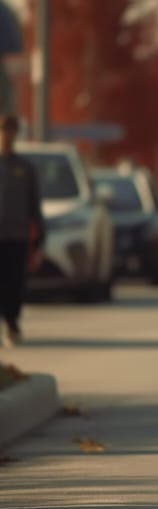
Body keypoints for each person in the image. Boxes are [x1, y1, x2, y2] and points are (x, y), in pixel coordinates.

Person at [0, 114, 45, 347]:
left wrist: (39, 239)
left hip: (16, 235)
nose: (5, 136)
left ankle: (12, 323)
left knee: (14, 282)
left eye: (9, 131)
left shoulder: (24, 169)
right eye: (2, 130)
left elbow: (34, 205)